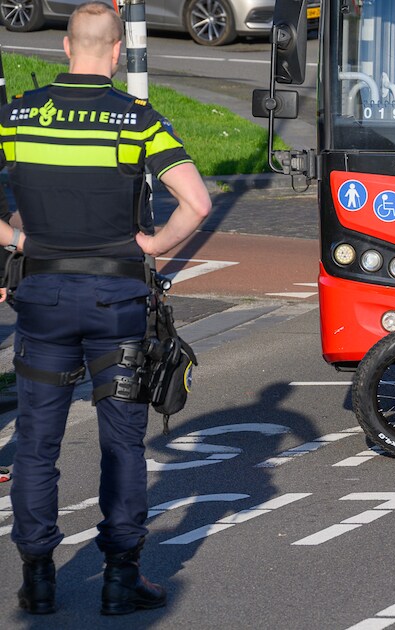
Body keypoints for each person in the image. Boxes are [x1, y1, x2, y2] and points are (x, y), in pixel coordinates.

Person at [0, 2, 211, 616]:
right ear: (118, 52)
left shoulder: (18, 116)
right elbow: (197, 203)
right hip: (117, 301)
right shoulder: (137, 120)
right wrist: (153, 245)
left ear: (66, 47)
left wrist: (17, 241)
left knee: (36, 443)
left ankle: (38, 578)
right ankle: (121, 577)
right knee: (122, 442)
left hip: (42, 299)